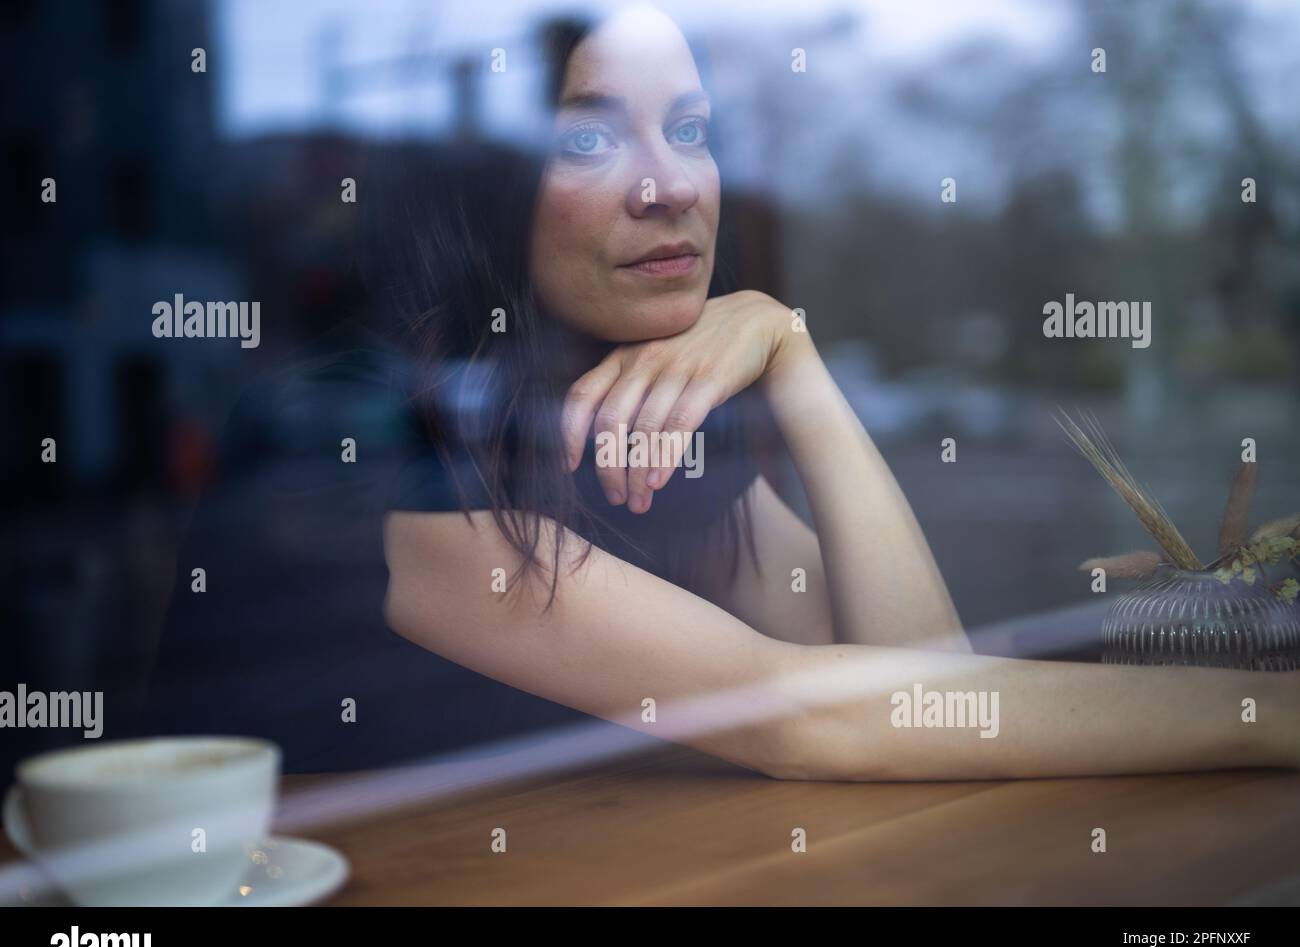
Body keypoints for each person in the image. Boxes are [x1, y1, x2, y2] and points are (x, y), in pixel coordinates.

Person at [145, 4, 1298, 778]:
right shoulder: (370, 444)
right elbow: (811, 715)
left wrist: (791, 353)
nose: (670, 187)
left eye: (690, 130)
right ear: (487, 196)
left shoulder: (631, 413)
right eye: (590, 142)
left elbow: (932, 698)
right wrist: (1265, 718)